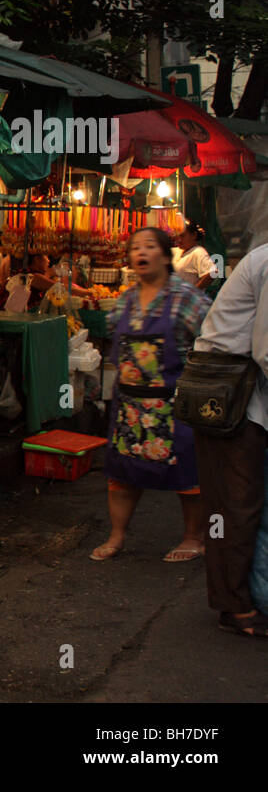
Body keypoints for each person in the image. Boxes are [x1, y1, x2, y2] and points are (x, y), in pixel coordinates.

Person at [91, 227, 211, 563]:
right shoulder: (127, 299)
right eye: (135, 247)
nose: (140, 252)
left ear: (165, 254)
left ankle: (193, 538)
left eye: (149, 246)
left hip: (174, 403)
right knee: (122, 474)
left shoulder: (186, 298)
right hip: (129, 403)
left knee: (187, 475)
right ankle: (116, 536)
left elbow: (212, 339)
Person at [190, 243, 268, 635]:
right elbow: (267, 350)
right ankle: (234, 607)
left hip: (245, 396)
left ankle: (244, 596)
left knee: (244, 503)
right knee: (235, 506)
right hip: (231, 399)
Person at [173, 221, 214, 290]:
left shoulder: (198, 252)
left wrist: (194, 292)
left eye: (182, 236)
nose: (179, 240)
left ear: (193, 235)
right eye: (177, 236)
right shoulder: (176, 251)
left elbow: (212, 273)